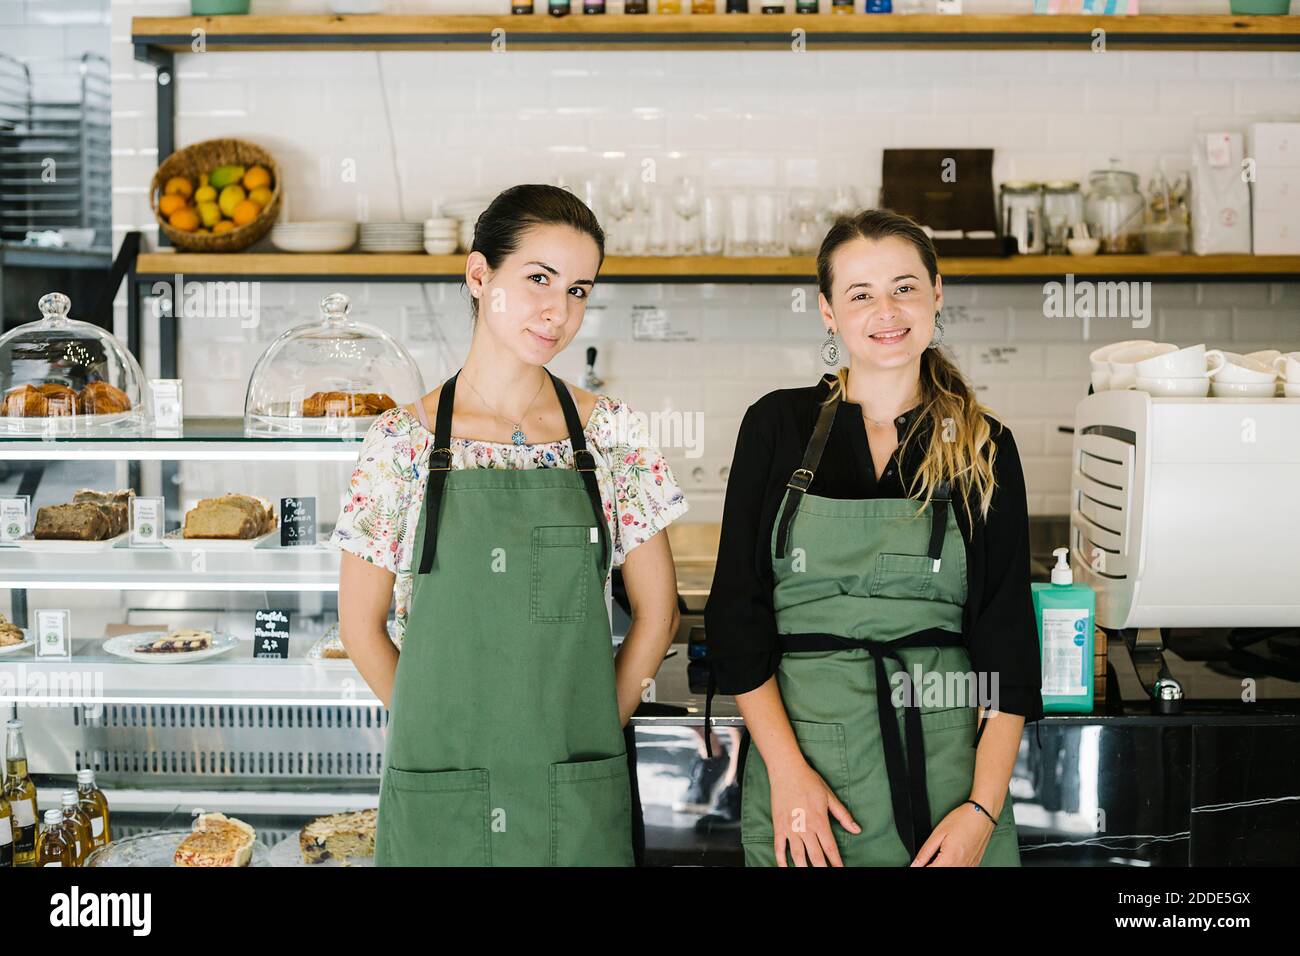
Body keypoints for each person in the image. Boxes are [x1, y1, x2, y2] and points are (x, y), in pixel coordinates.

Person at [331, 184, 689, 866]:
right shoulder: (401, 443)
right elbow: (359, 626)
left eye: (580, 290)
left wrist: (595, 724)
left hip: (574, 787)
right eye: (538, 280)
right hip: (440, 791)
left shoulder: (611, 434)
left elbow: (658, 612)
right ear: (478, 275)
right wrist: (431, 735)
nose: (558, 311)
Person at [705, 208, 1043, 867]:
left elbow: (1007, 641)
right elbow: (736, 614)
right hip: (806, 773)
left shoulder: (984, 445)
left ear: (937, 294)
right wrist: (787, 774)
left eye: (905, 287)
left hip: (949, 773)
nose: (886, 310)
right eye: (860, 294)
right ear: (828, 311)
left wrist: (981, 811)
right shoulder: (777, 424)